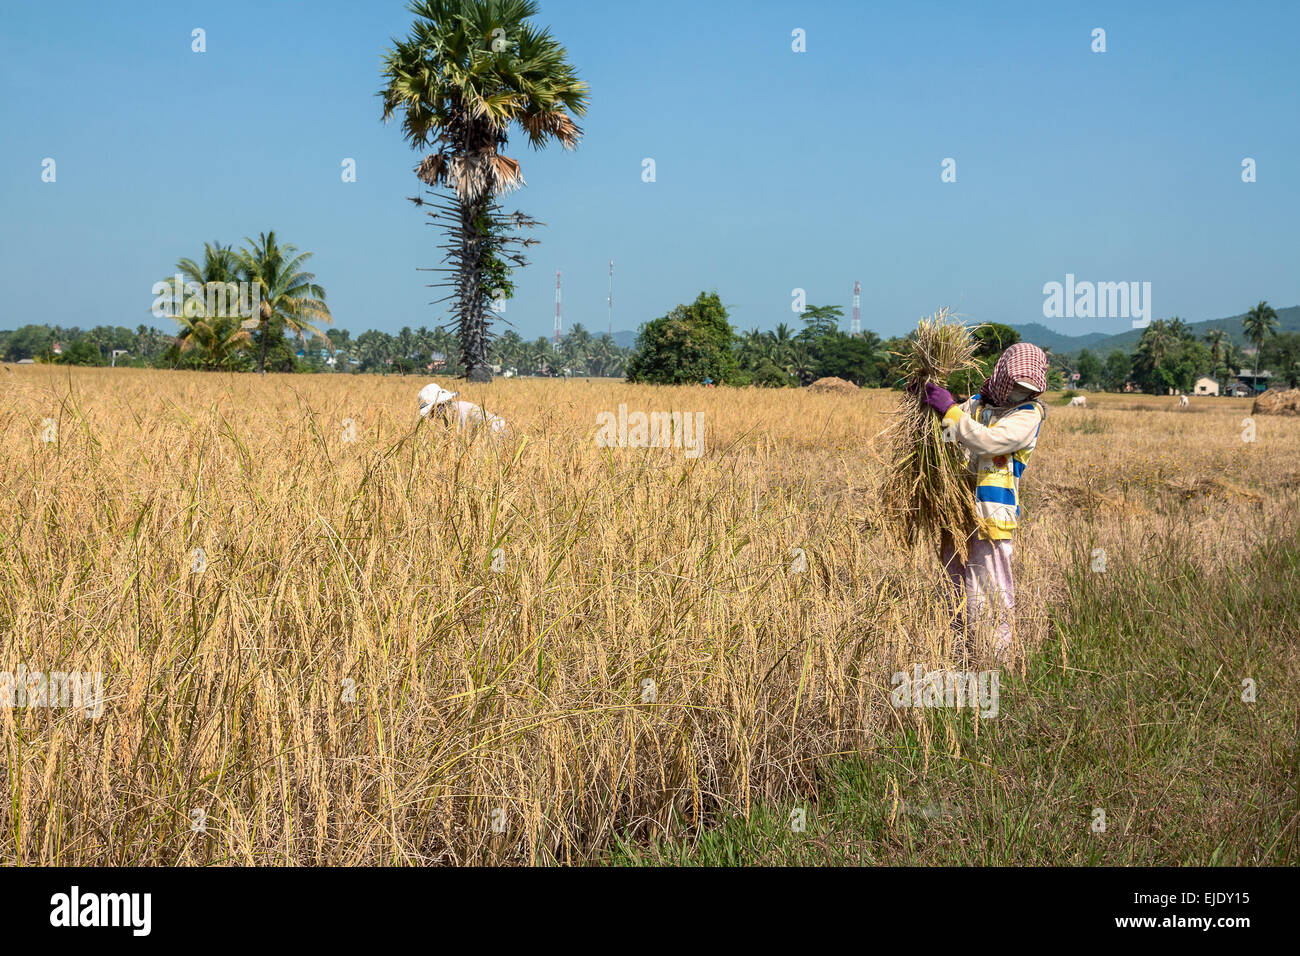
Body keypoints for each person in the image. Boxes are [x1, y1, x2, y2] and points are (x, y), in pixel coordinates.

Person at [918, 343, 1049, 662]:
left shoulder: (1028, 415)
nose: (1020, 393)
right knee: (953, 586)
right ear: (1003, 376)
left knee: (989, 592)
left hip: (992, 515)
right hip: (955, 510)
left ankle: (995, 662)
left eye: (1027, 389)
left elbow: (987, 441)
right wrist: (928, 409)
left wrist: (949, 410)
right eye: (1017, 386)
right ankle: (956, 653)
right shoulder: (976, 405)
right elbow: (952, 438)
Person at [417, 382, 509, 436]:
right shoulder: (449, 415)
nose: (433, 416)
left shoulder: (458, 412)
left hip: (496, 432)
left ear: (440, 406)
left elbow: (461, 440)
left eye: (432, 412)